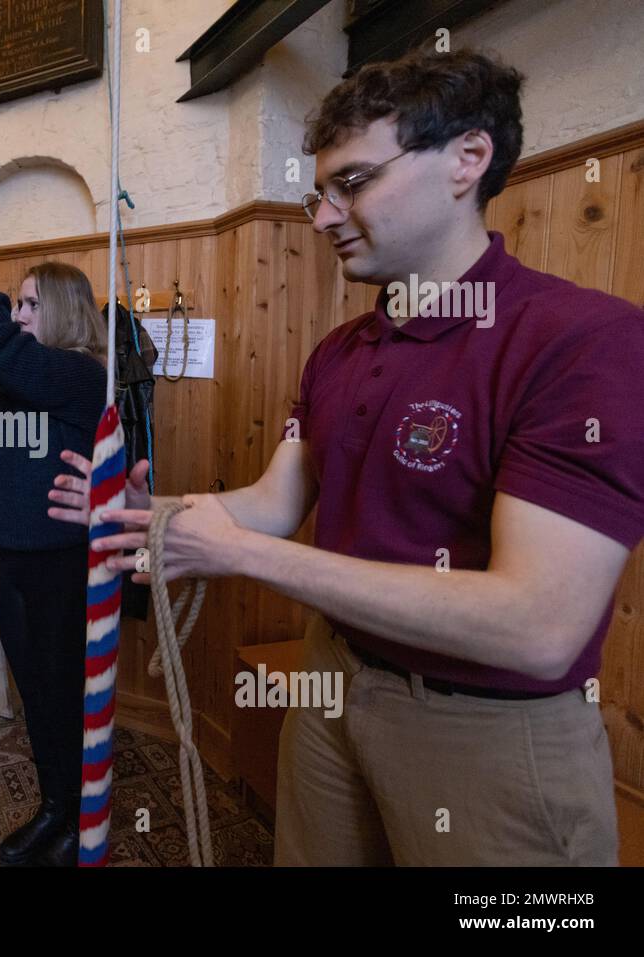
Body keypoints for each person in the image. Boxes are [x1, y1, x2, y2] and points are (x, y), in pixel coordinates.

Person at [49, 48, 644, 865]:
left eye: (354, 184)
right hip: (331, 679)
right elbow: (273, 502)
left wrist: (244, 555)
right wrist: (156, 516)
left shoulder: (581, 341)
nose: (324, 216)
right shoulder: (338, 351)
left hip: (488, 725)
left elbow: (538, 625)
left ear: (468, 159)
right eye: (318, 193)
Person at [0, 150, 108, 866]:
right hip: (12, 561)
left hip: (60, 570)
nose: (17, 313)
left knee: (62, 694)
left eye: (31, 303)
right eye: (16, 303)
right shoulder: (22, 381)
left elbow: (2, 352)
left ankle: (79, 817)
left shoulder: (77, 376)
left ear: (65, 311)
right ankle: (54, 805)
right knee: (35, 694)